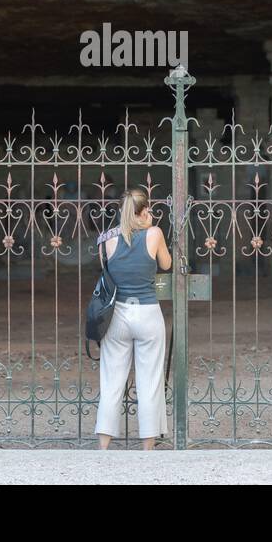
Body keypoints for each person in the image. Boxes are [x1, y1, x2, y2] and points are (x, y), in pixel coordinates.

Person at [94, 187, 172, 450]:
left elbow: (105, 270)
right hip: (148, 312)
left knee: (111, 380)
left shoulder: (105, 239)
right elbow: (166, 264)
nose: (151, 213)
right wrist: (150, 229)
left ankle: (104, 444)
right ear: (141, 212)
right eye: (148, 209)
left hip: (117, 314)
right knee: (149, 380)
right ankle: (147, 447)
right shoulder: (155, 234)